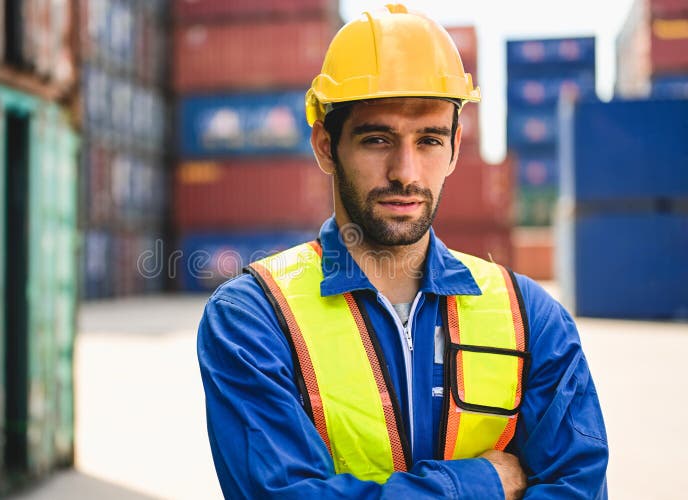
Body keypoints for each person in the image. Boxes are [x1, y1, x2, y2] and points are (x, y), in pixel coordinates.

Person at [197, 4, 608, 499]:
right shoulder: (254, 318)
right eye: (377, 139)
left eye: (429, 140)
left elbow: (578, 487)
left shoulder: (530, 317)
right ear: (325, 146)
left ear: (455, 146)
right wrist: (480, 483)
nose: (406, 172)